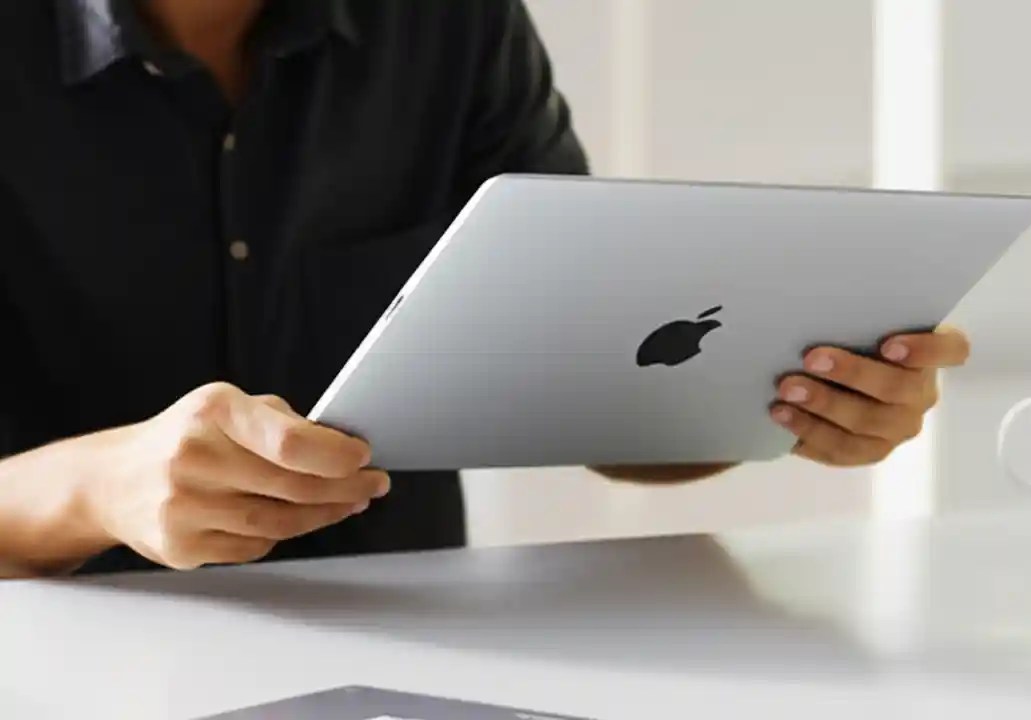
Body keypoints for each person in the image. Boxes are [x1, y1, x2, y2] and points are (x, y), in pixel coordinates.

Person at [0, 0, 971, 578]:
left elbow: (600, 385)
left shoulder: (448, 25)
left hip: (412, 667)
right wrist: (91, 490)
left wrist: (792, 392)